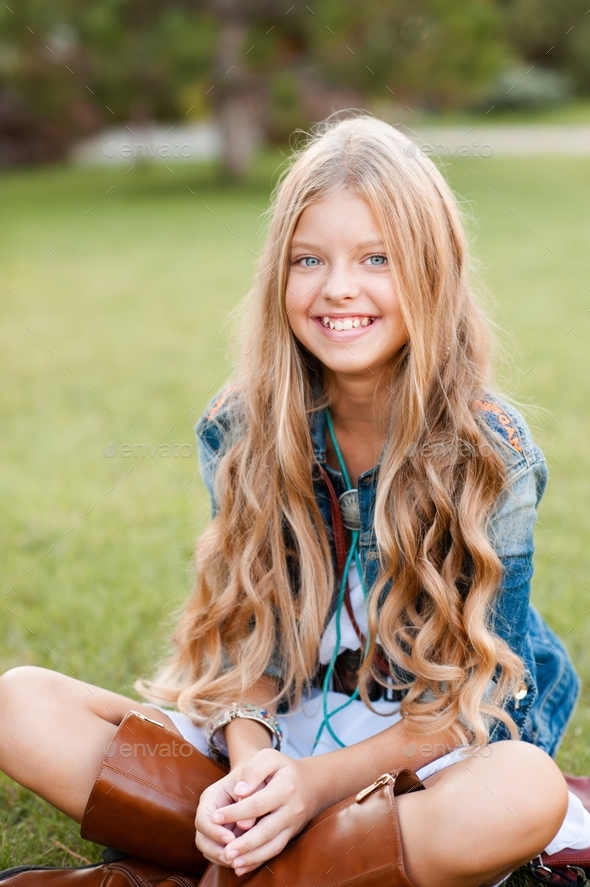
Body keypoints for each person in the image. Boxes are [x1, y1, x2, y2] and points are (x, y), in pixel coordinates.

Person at [0, 114, 585, 887]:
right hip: (277, 723)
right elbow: (251, 642)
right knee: (19, 704)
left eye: (377, 257)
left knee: (523, 791)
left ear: (432, 271)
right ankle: (303, 860)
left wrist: (314, 786)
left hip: (420, 749)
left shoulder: (491, 453)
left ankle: (224, 869)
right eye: (309, 259)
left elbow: (470, 700)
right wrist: (252, 768)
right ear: (280, 274)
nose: (339, 286)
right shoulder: (240, 425)